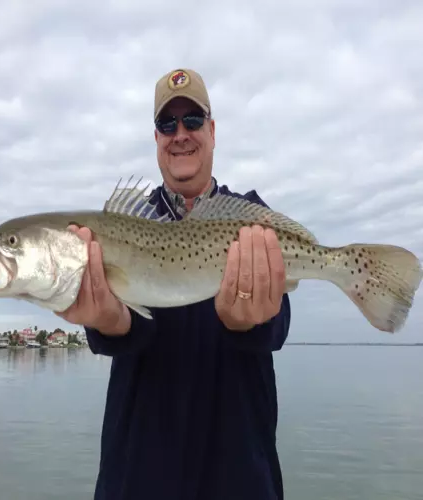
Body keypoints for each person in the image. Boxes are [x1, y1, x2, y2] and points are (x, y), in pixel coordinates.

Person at [59, 68, 291, 500]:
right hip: (137, 476)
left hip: (239, 476)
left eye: (193, 120)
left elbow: (278, 326)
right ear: (156, 137)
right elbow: (128, 328)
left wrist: (251, 322)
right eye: (168, 124)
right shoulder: (120, 226)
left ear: (213, 130)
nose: (180, 134)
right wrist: (110, 324)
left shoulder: (251, 218)